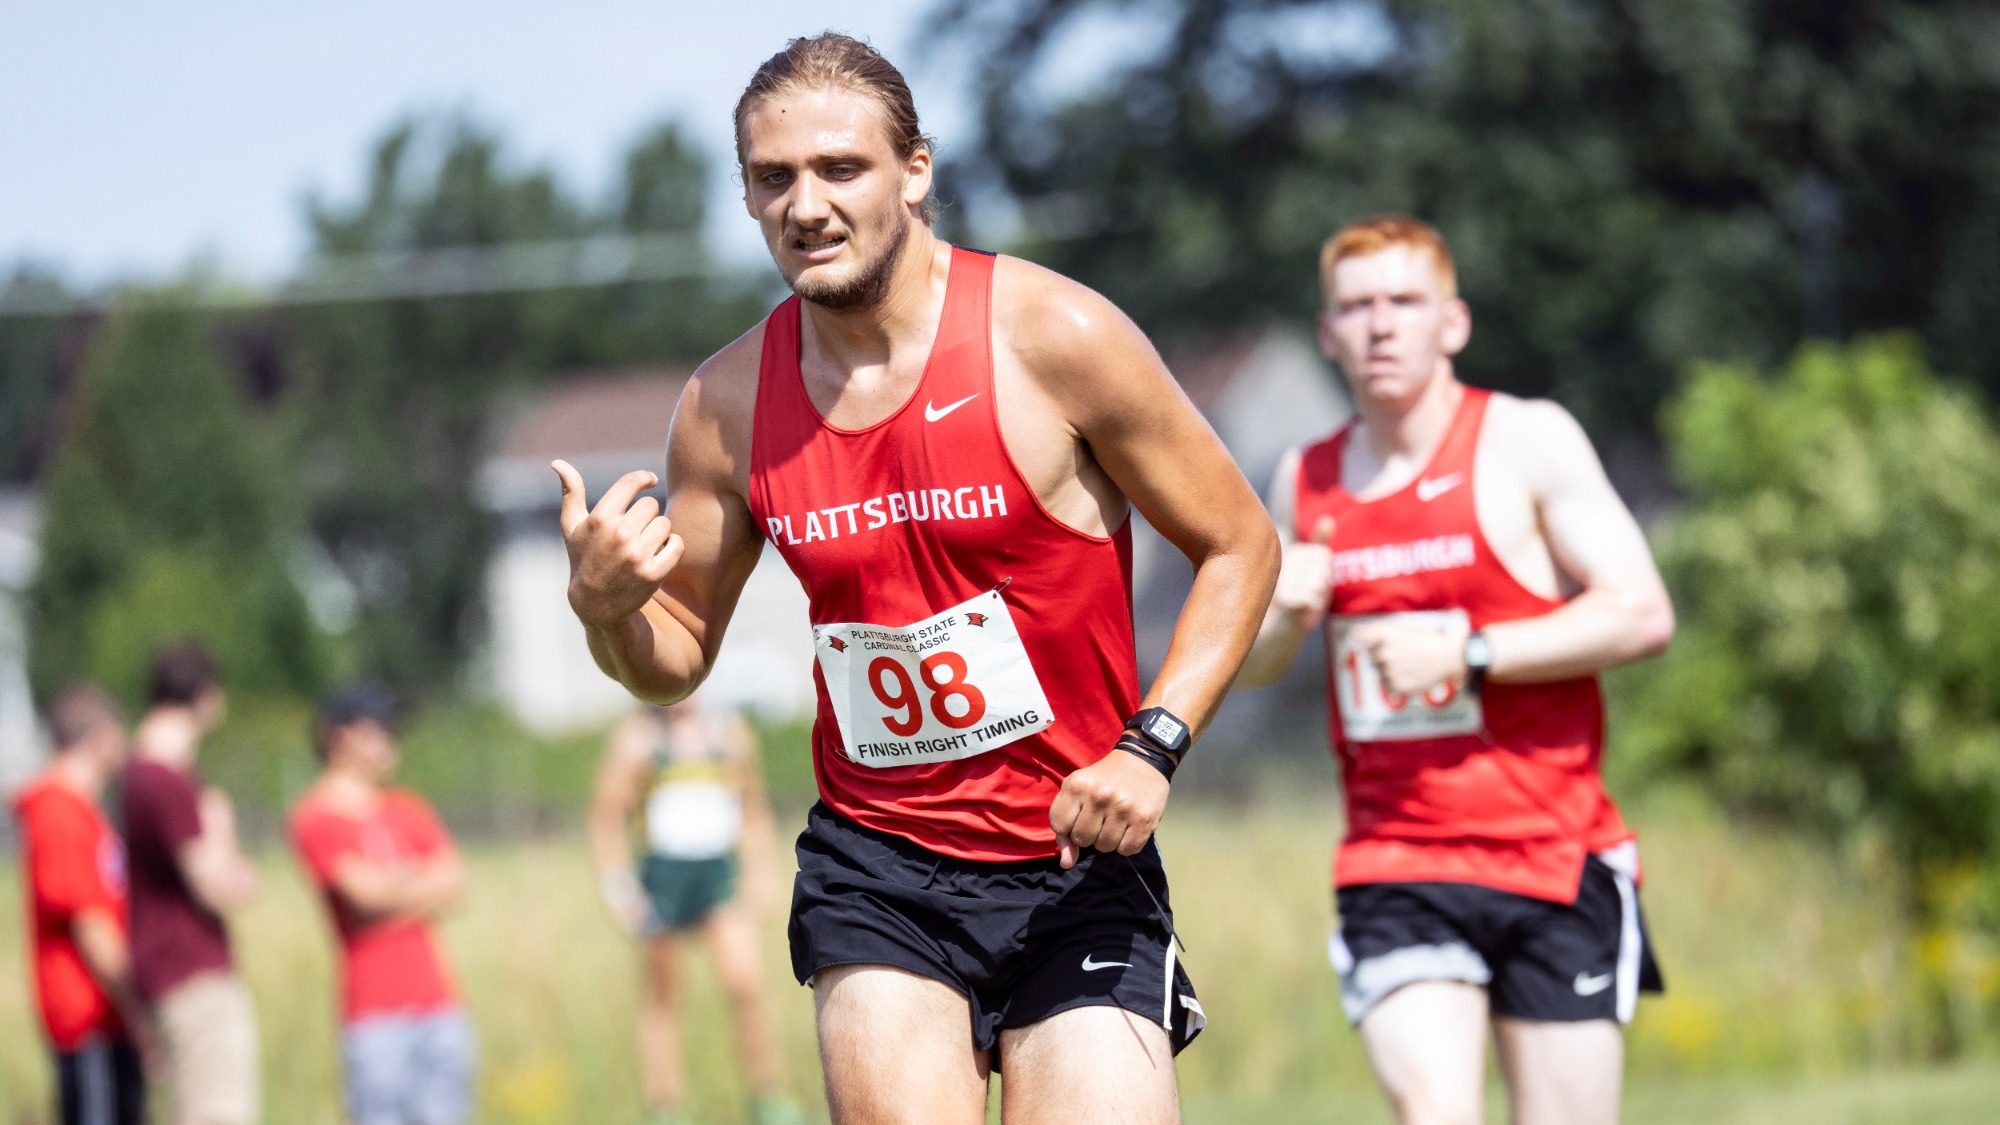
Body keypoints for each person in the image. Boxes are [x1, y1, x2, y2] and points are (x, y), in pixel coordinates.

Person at [552, 32, 1279, 1125]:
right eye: (773, 177)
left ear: (915, 171)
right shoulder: (723, 406)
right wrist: (606, 613)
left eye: (840, 168)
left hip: (1074, 859)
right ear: (745, 194)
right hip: (877, 867)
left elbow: (1240, 545)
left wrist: (1150, 746)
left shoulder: (1054, 335)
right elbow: (672, 658)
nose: (806, 205)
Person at [1234, 215, 1676, 1125]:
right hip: (1397, 859)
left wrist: (1471, 655)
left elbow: (1640, 610)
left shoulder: (1525, 440)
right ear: (1327, 333)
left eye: (1404, 301)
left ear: (1454, 322)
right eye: (1356, 307)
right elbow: (1259, 668)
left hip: (1554, 852)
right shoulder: (1304, 479)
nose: (1381, 325)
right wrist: (1280, 611)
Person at [589, 696, 800, 1125]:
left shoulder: (730, 733)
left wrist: (762, 873)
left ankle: (771, 1101)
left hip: (718, 875)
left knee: (747, 985)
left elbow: (752, 806)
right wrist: (619, 891)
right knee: (663, 997)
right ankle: (666, 1107)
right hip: (663, 878)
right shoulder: (636, 738)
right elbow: (606, 817)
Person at [288, 682, 474, 1125]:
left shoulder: (407, 806)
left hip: (438, 1007)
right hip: (374, 1019)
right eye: (379, 728)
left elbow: (456, 883)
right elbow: (361, 897)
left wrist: (391, 893)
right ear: (341, 737)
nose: (392, 739)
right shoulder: (316, 815)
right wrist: (418, 882)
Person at [122, 644, 261, 1125]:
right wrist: (223, 832)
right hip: (191, 972)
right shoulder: (166, 780)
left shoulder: (135, 774)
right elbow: (215, 886)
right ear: (205, 697)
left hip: (163, 973)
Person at [13, 685, 150, 1125]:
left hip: (106, 1017)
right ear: (99, 737)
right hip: (88, 1016)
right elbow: (91, 927)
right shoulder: (58, 810)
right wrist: (138, 1011)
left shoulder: (83, 808)